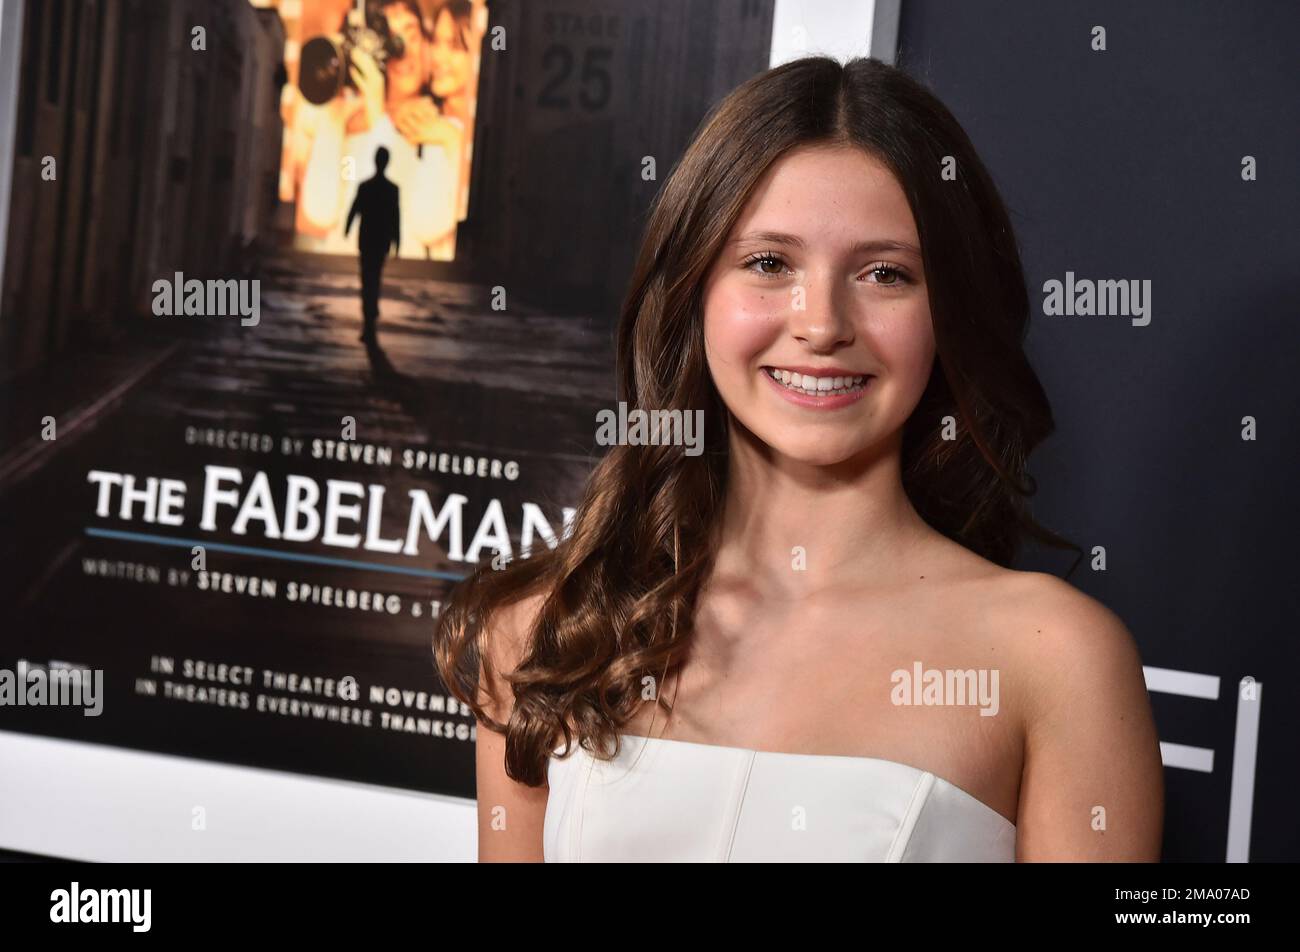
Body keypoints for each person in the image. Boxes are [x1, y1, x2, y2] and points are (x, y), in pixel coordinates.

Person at [434, 57, 1165, 862]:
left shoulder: (1054, 657)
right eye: (769, 263)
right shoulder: (548, 630)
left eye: (886, 273)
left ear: (948, 312)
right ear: (693, 291)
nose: (821, 323)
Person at [345, 146, 400, 341]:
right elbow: (396, 217)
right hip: (380, 241)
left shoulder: (366, 186)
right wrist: (397, 241)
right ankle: (371, 317)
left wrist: (348, 227)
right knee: (374, 279)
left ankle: (369, 319)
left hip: (368, 240)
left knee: (367, 280)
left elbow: (355, 208)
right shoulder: (392, 190)